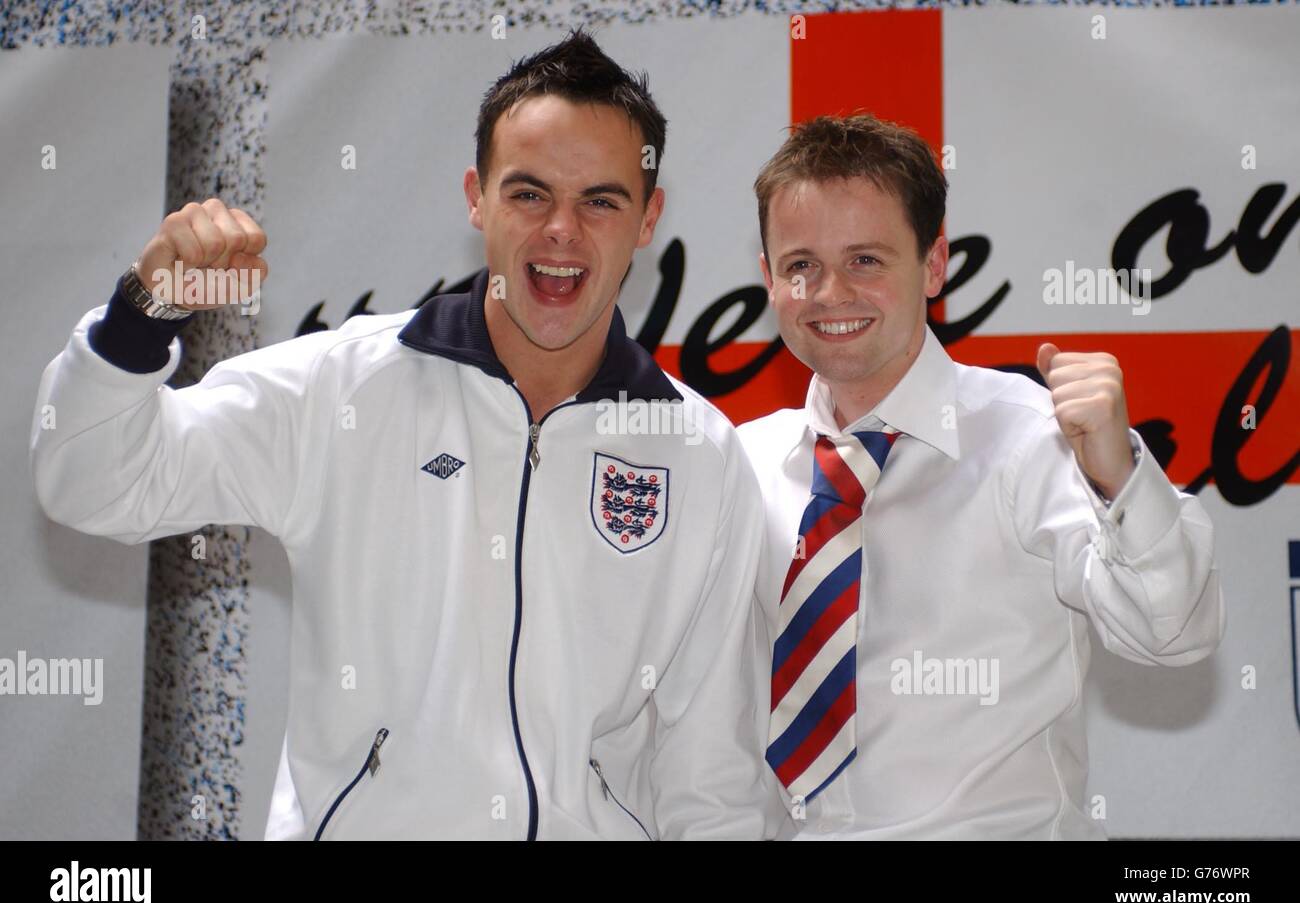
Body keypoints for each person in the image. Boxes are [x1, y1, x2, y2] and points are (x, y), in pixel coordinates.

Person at [30, 29, 784, 840]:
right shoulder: (342, 388)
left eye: (600, 200)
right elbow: (92, 478)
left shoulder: (698, 453)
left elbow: (714, 782)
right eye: (529, 193)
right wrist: (143, 317)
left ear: (647, 218)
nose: (562, 230)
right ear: (476, 197)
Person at [737, 113, 1225, 840]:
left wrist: (1120, 475)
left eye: (866, 259)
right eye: (801, 263)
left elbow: (1173, 632)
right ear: (768, 277)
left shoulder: (1033, 438)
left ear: (934, 264)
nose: (830, 292)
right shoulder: (740, 461)